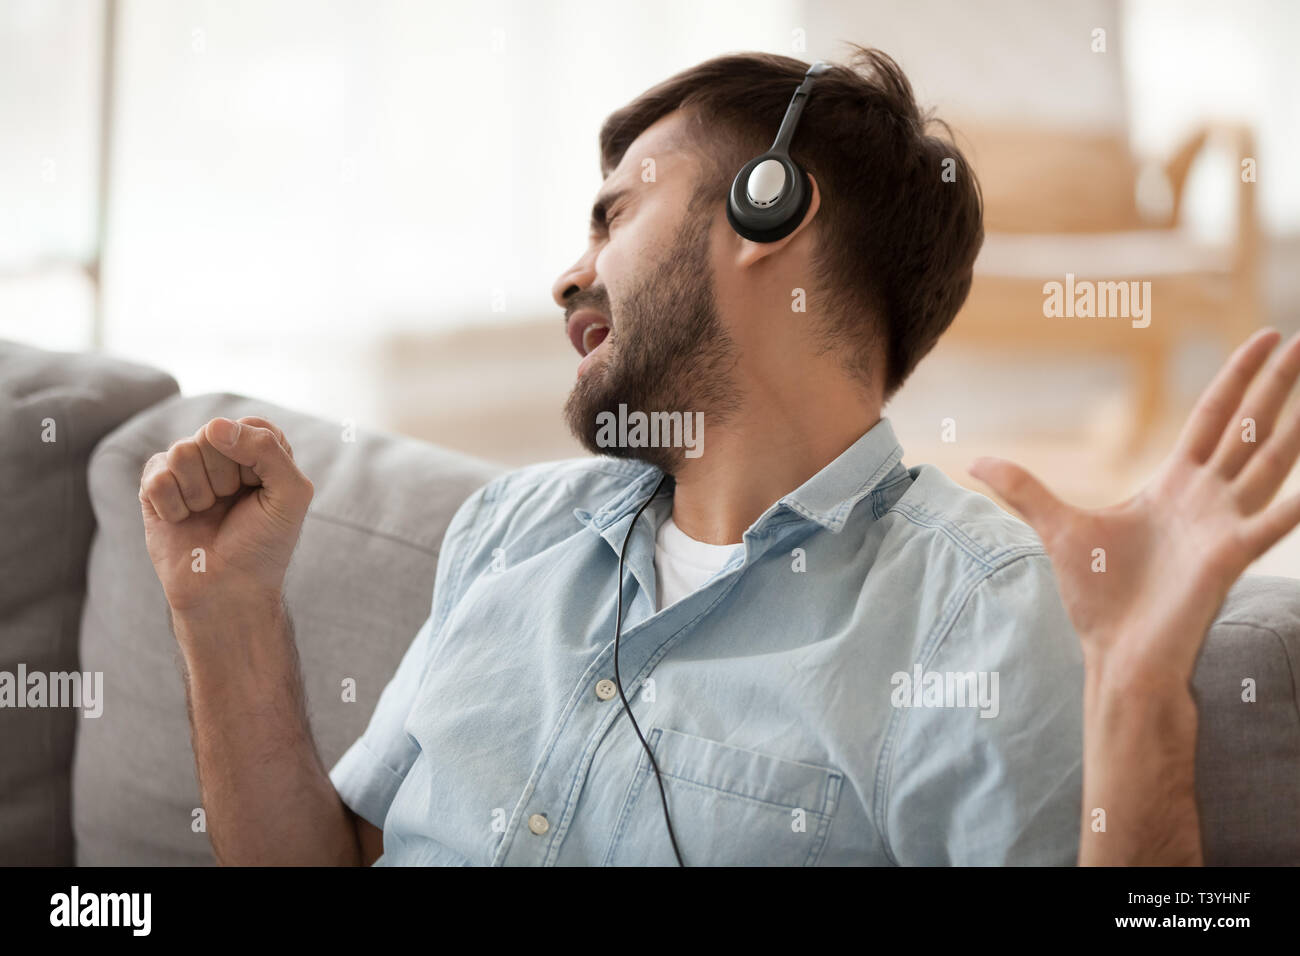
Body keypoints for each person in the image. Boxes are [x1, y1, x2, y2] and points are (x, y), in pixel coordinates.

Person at [138, 47, 1300, 866]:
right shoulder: (512, 530)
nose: (566, 274)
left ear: (768, 209)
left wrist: (1139, 686)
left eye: (613, 216)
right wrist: (224, 614)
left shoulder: (975, 607)